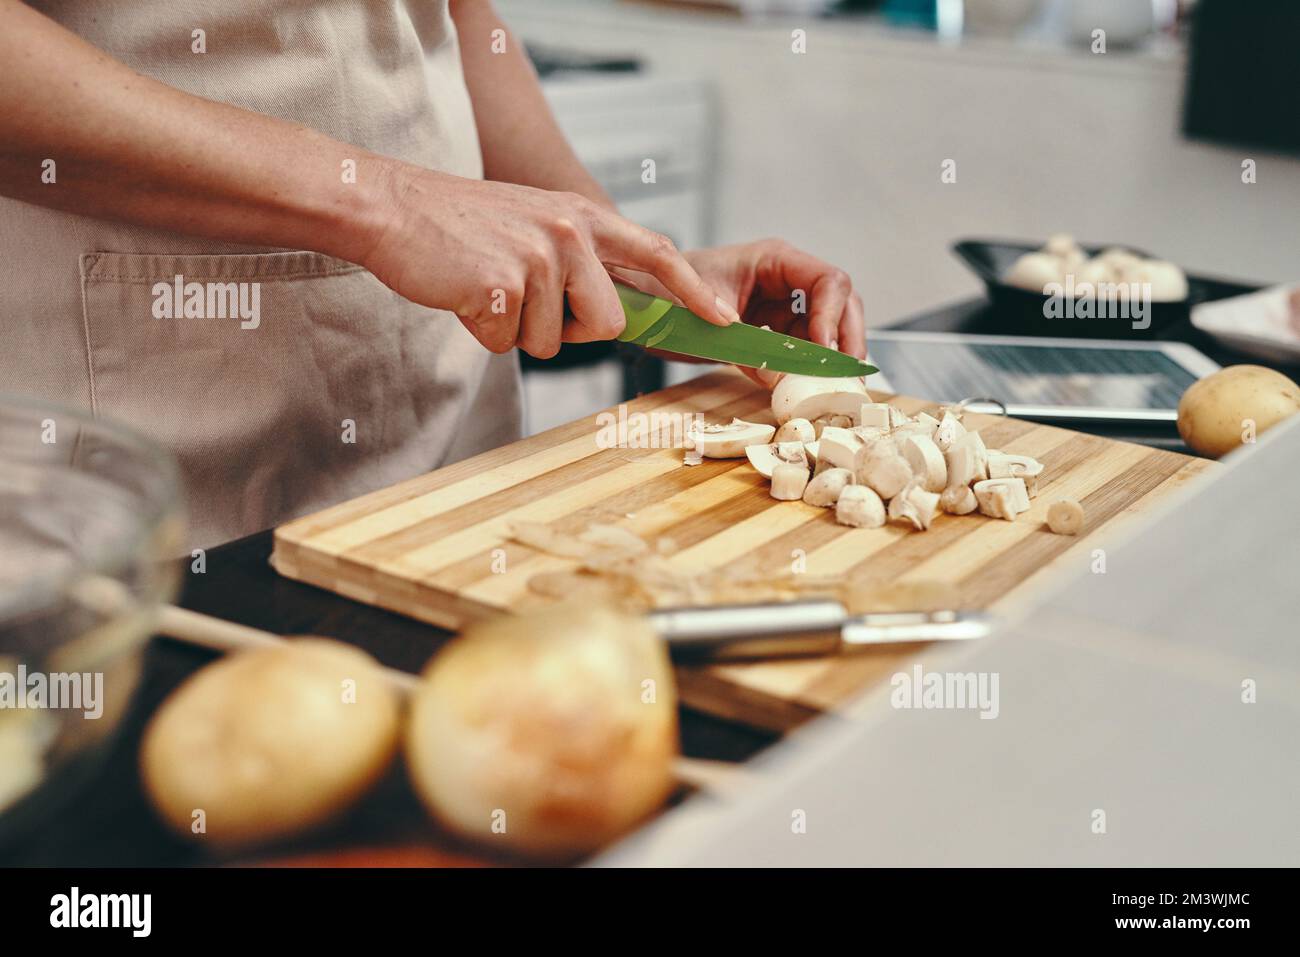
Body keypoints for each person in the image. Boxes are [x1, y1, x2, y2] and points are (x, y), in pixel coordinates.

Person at [0, 0, 864, 547]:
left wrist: (620, 258)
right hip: (164, 466)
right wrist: (384, 202)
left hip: (456, 454)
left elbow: (457, 16)